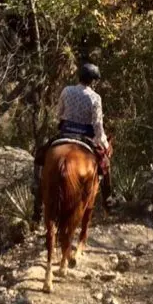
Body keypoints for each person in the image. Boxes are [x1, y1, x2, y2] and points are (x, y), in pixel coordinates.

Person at [31, 63, 113, 224]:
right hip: (85, 137)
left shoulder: (66, 91)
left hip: (65, 132)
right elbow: (97, 124)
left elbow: (59, 113)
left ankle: (37, 205)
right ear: (93, 81)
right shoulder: (95, 97)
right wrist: (103, 142)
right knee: (105, 163)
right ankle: (108, 199)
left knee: (40, 157)